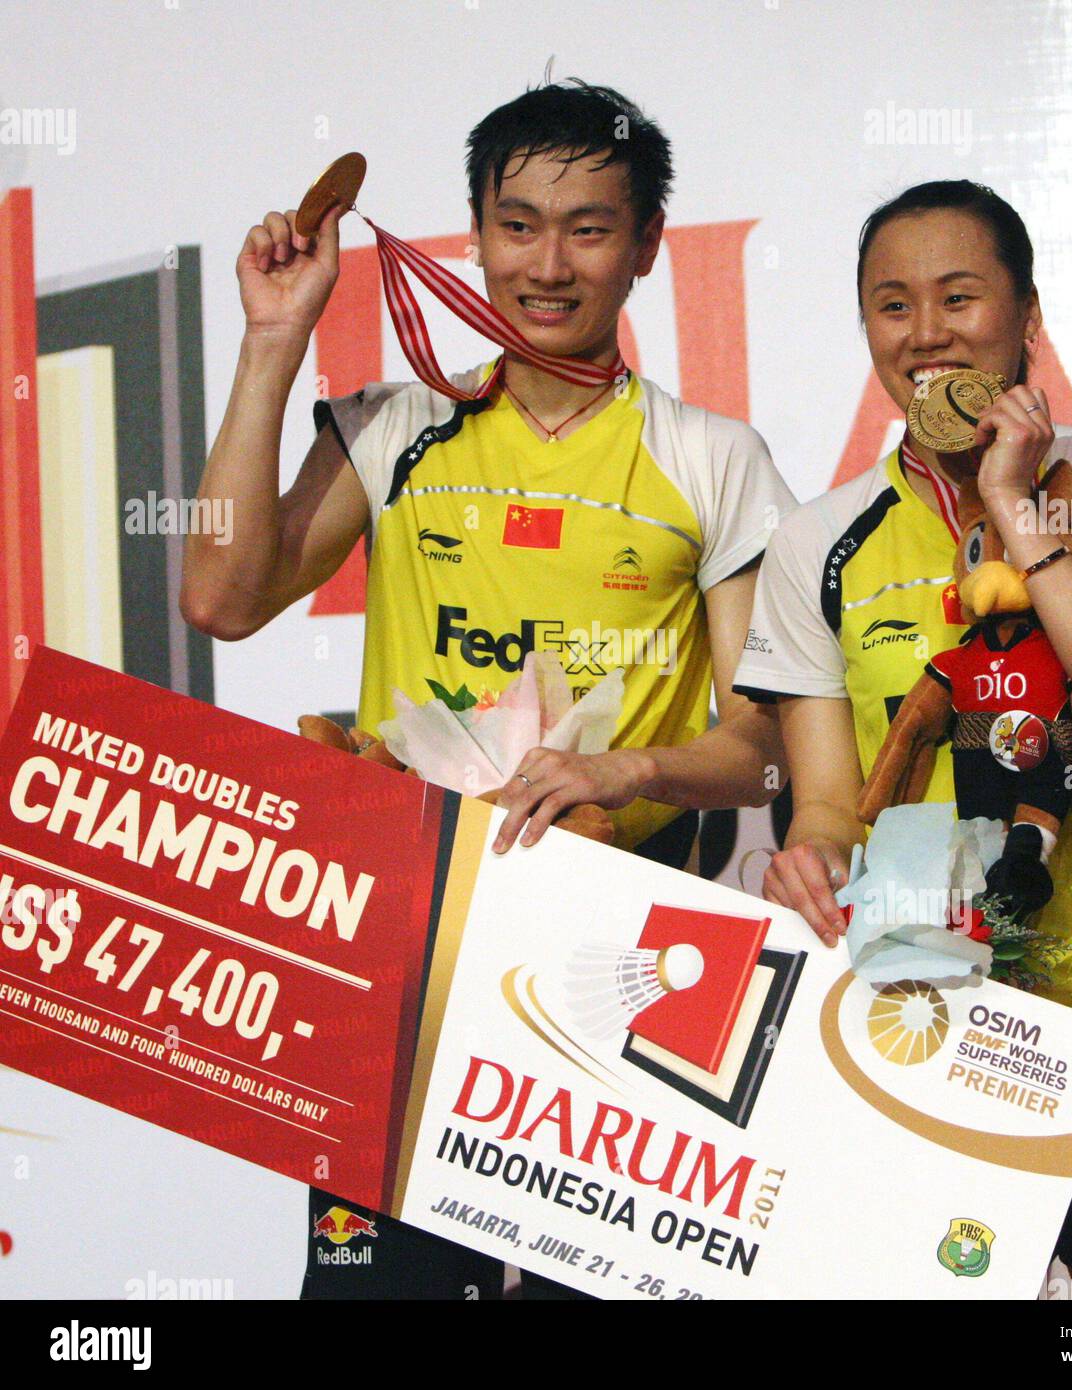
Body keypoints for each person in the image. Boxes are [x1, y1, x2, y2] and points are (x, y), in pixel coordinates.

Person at [181, 80, 794, 1299]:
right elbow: (219, 593)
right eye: (517, 224)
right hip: (401, 970)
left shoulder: (711, 458)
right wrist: (270, 342)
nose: (547, 263)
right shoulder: (400, 420)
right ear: (473, 233)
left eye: (588, 227)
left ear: (646, 249)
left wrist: (627, 771)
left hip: (617, 991)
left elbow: (763, 751)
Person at [732, 180, 1072, 1301]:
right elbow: (828, 801)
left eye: (959, 298)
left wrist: (1013, 506)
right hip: (925, 1012)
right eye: (891, 305)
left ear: (1025, 315)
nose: (926, 335)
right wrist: (806, 857)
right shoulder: (819, 539)